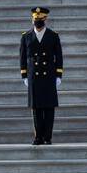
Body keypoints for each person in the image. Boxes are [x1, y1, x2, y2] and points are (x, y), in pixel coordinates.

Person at [20, 7, 63, 145]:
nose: (37, 22)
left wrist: (58, 75)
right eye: (35, 20)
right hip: (34, 76)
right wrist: (24, 75)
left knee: (49, 107)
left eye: (40, 20)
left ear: (45, 20)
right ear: (32, 20)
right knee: (36, 107)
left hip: (49, 76)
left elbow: (59, 57)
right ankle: (38, 136)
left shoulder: (53, 35)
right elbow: (22, 57)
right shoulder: (26, 36)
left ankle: (47, 137)